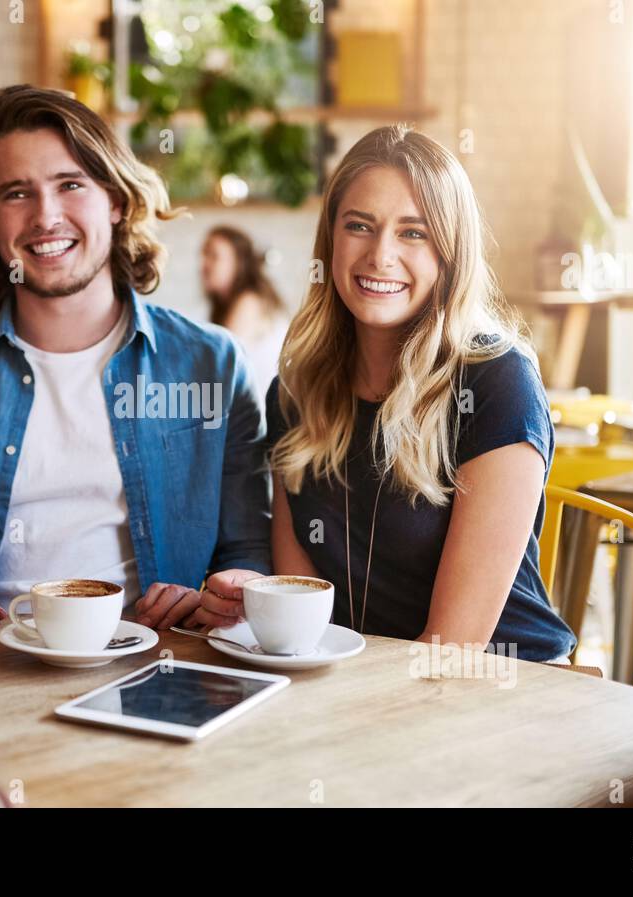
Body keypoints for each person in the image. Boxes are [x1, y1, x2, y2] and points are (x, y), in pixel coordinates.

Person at [0, 85, 271, 639]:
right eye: (16, 193)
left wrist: (218, 595)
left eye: (70, 185)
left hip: (155, 663)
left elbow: (248, 549)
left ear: (115, 201)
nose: (46, 216)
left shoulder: (211, 364)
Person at [193, 125, 577, 663]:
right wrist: (254, 604)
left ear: (451, 253)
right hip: (369, 684)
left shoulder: (496, 382)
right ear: (331, 240)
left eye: (413, 233)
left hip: (497, 684)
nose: (380, 255)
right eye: (359, 226)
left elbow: (451, 649)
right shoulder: (296, 393)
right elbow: (307, 623)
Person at [201, 226, 289, 406]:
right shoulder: (238, 302)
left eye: (214, 256)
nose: (204, 264)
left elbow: (221, 371)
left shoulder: (249, 303)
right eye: (204, 254)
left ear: (238, 263)